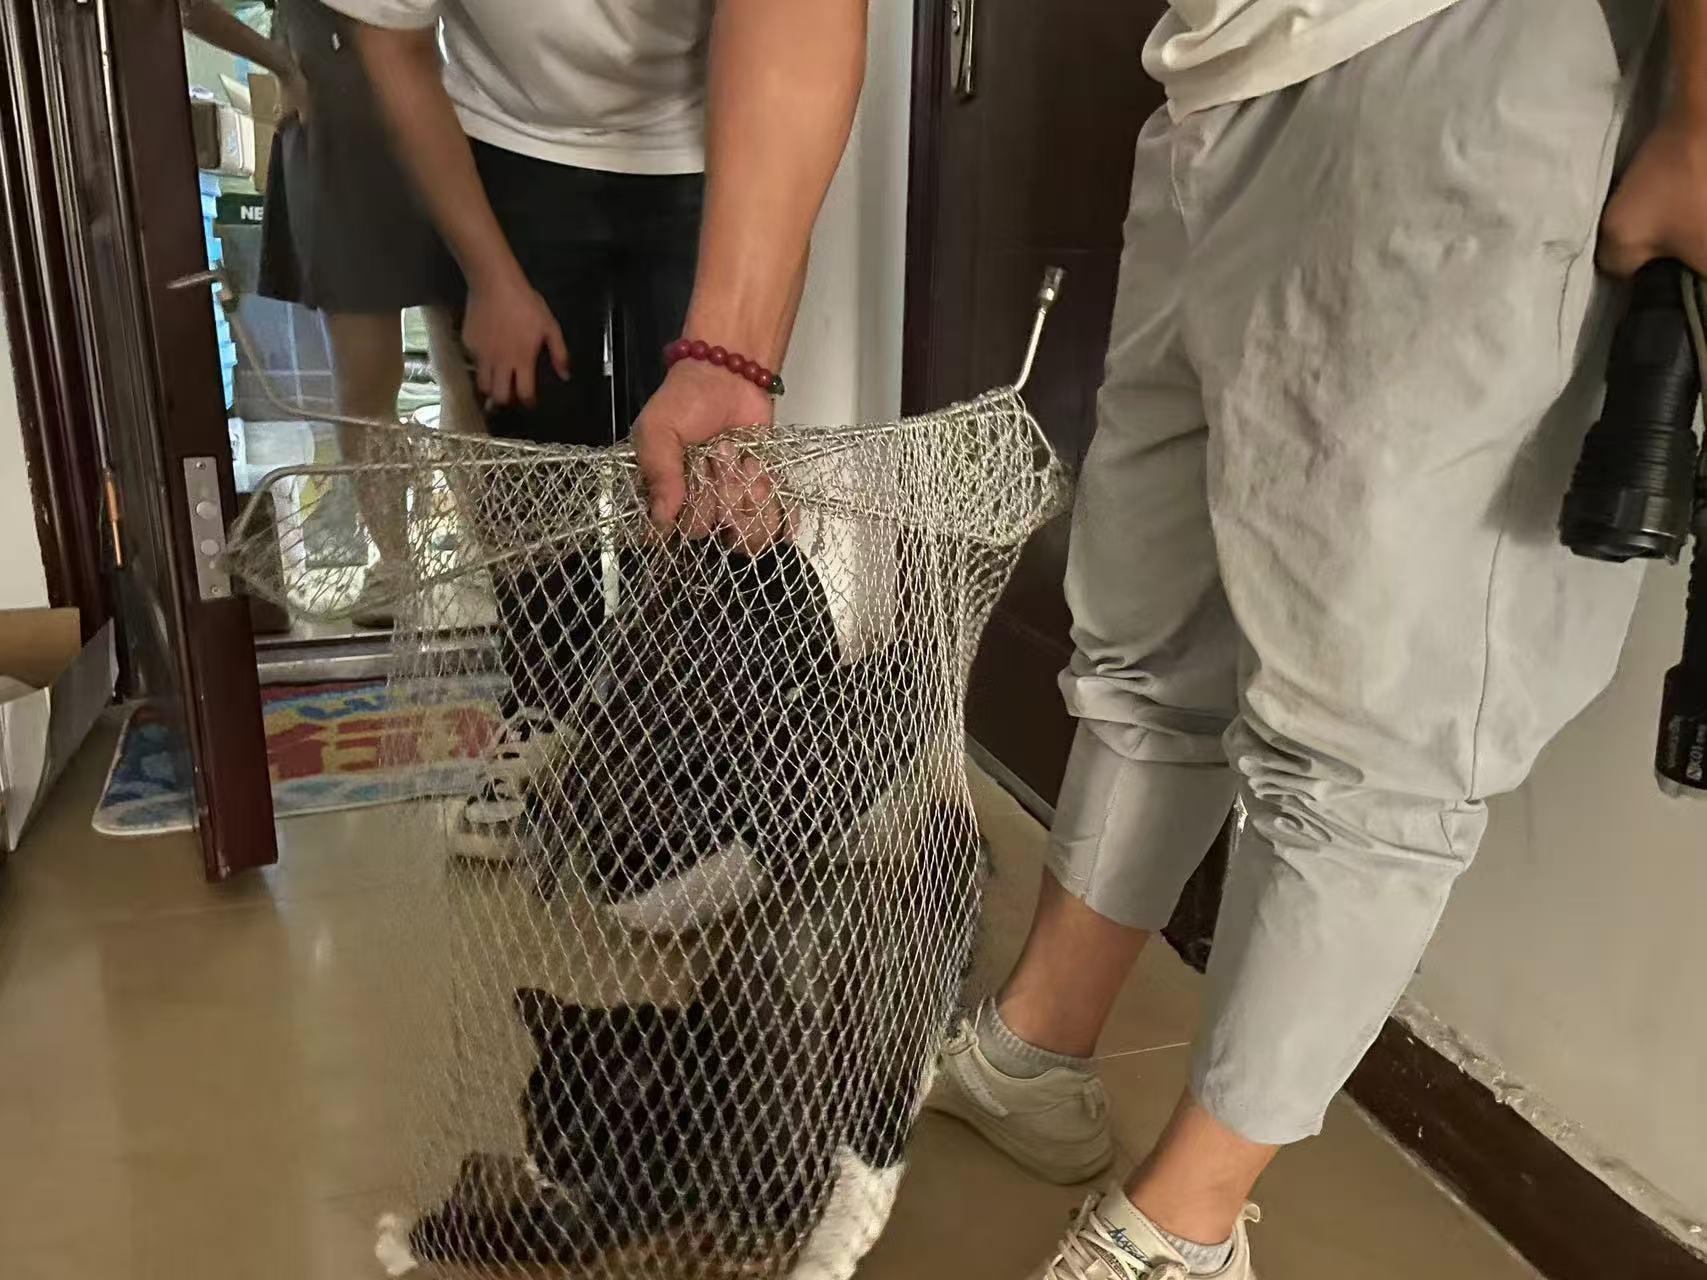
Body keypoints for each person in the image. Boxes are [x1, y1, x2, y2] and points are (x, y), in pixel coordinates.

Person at [624, 0, 1707, 1276]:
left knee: (1373, 730)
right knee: (1146, 647)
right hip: (1213, 83)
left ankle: (1180, 1232)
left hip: (1465, 53)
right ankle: (1034, 1053)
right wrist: (728, 347)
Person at [325, 0, 729, 852]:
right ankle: (546, 707)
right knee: (532, 450)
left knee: (698, 455)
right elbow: (392, 49)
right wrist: (491, 278)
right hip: (511, 148)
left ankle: (672, 725)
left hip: (704, 140)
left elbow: (800, 52)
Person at [182, 0, 472, 630]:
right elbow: (187, 9)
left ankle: (471, 557)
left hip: (438, 120)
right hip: (344, 128)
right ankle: (402, 565)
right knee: (376, 382)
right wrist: (284, 65)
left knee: (457, 364)